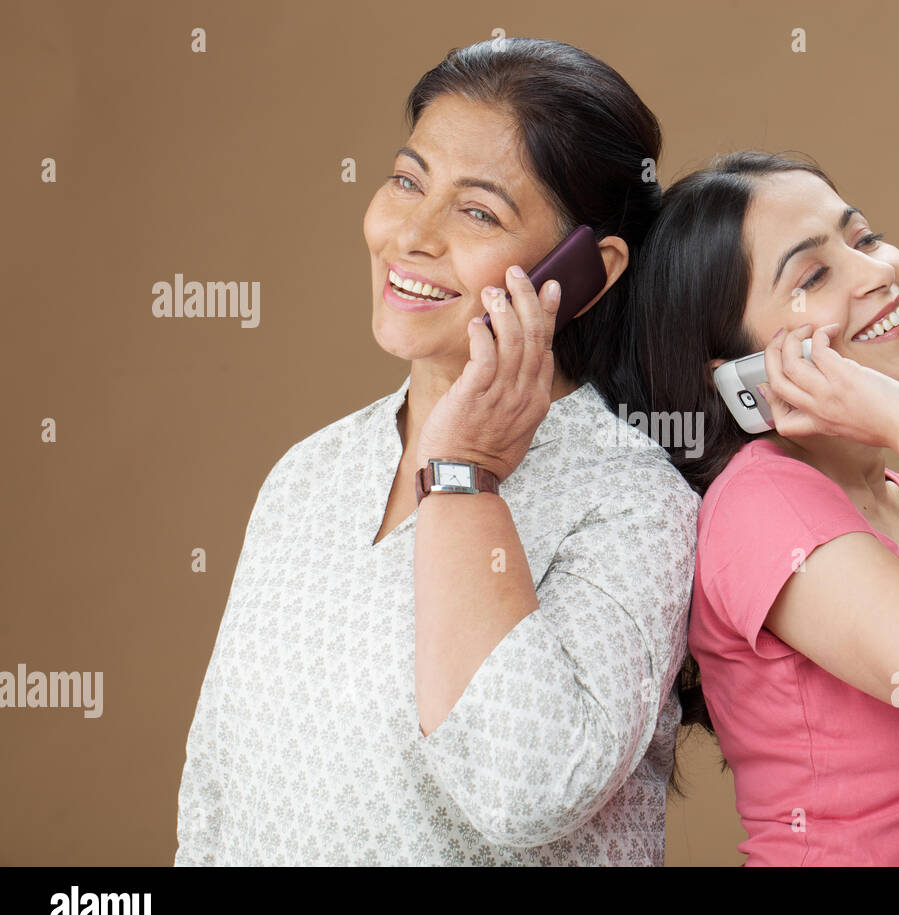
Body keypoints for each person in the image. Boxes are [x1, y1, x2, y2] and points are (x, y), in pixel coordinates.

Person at [174, 38, 698, 866]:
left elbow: (524, 793)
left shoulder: (632, 504)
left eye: (478, 211)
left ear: (586, 273)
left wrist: (463, 479)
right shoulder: (308, 474)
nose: (411, 235)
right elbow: (214, 793)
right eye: (408, 181)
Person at [629, 151, 899, 866]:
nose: (878, 272)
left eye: (862, 239)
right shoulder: (761, 503)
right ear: (741, 376)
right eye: (813, 276)